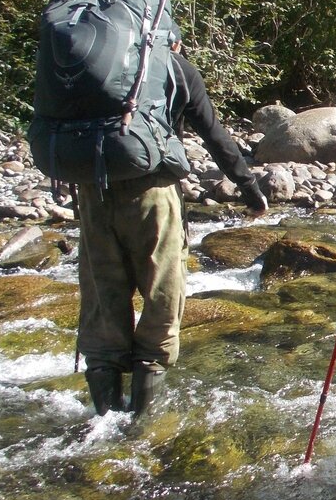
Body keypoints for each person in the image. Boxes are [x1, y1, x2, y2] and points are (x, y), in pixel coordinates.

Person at [76, 46, 268, 417]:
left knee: (103, 299)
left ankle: (102, 422)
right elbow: (214, 134)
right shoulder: (171, 65)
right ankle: (140, 429)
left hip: (92, 190)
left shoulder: (93, 55)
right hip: (153, 192)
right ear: (169, 38)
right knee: (162, 298)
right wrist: (250, 189)